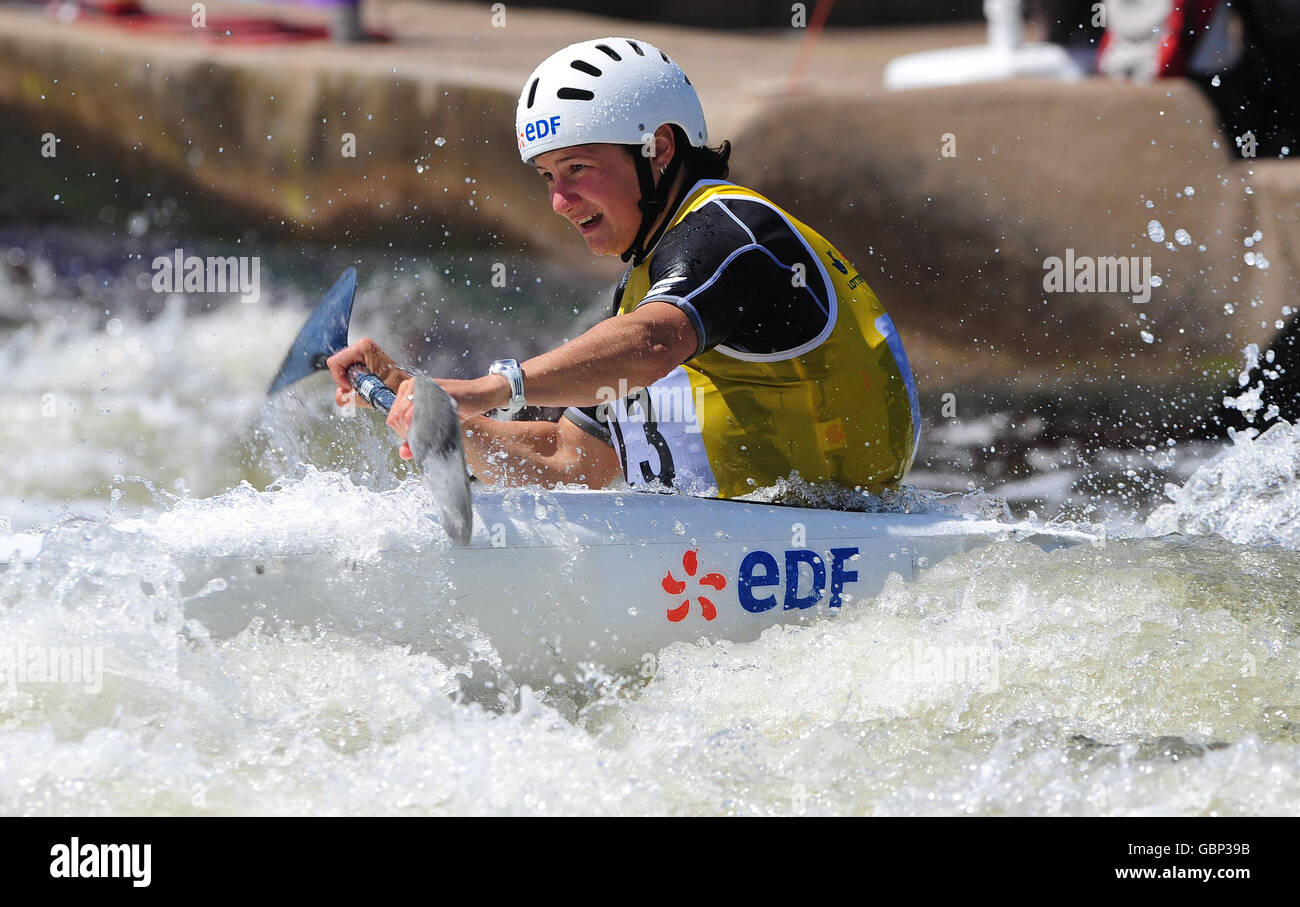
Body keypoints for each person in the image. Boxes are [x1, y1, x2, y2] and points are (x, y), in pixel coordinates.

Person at [327, 36, 920, 499]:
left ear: (659, 149)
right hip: (724, 558)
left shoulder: (732, 231)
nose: (560, 203)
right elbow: (568, 462)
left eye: (578, 169)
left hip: (828, 549)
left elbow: (653, 341)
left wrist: (488, 388)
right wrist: (419, 403)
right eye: (548, 178)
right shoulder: (642, 285)